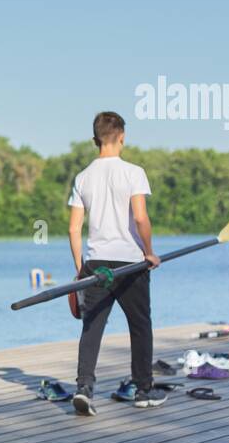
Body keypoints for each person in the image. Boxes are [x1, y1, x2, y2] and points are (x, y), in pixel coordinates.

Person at [67, 111, 163, 416]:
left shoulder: (83, 177)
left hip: (96, 264)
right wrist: (149, 252)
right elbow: (140, 217)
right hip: (131, 264)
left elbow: (73, 229)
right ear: (122, 136)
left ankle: (84, 388)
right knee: (140, 325)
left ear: (95, 139)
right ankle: (143, 390)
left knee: (92, 326)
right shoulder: (133, 172)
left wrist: (80, 268)